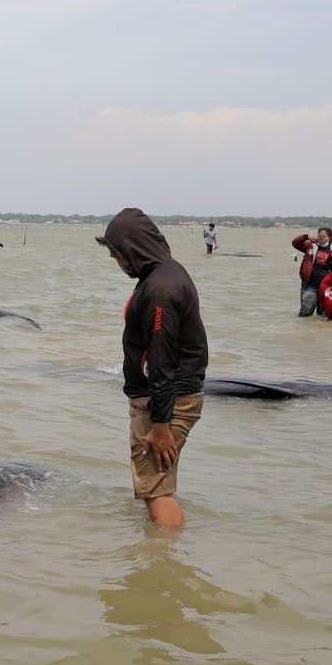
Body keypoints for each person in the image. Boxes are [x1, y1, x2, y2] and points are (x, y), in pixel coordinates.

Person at [96, 208, 208, 527]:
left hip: (165, 402)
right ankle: (163, 559)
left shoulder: (160, 289)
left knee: (156, 490)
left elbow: (161, 358)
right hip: (168, 397)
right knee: (156, 486)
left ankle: (164, 568)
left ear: (132, 252)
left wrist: (160, 426)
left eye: (117, 255)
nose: (116, 263)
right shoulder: (163, 275)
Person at [292, 228, 332, 317]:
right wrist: (306, 236)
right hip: (310, 287)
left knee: (323, 317)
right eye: (319, 236)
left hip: (327, 290)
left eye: (324, 236)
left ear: (329, 238)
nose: (321, 238)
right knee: (305, 315)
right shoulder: (310, 246)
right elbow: (295, 243)